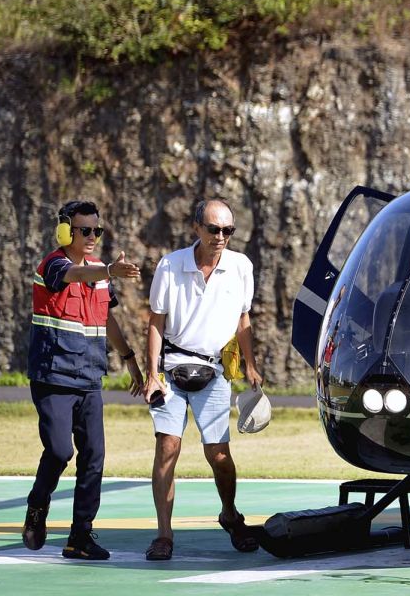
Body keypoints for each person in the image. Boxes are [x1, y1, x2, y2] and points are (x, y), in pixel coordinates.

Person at [142, 198, 263, 562]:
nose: (221, 236)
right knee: (168, 448)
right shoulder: (170, 265)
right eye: (214, 229)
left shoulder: (241, 266)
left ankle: (229, 513)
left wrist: (251, 365)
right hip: (172, 367)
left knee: (219, 454)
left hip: (215, 370)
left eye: (228, 230)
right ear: (196, 228)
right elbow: (155, 322)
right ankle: (164, 534)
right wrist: (152, 375)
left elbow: (244, 320)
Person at [24, 200, 143, 560]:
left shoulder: (98, 272)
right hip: (54, 376)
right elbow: (74, 276)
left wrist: (130, 360)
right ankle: (37, 506)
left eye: (97, 230)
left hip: (90, 376)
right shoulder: (54, 264)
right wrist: (109, 269)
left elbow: (107, 320)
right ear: (66, 231)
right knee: (60, 451)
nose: (92, 236)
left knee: (94, 458)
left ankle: (80, 537)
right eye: (84, 230)